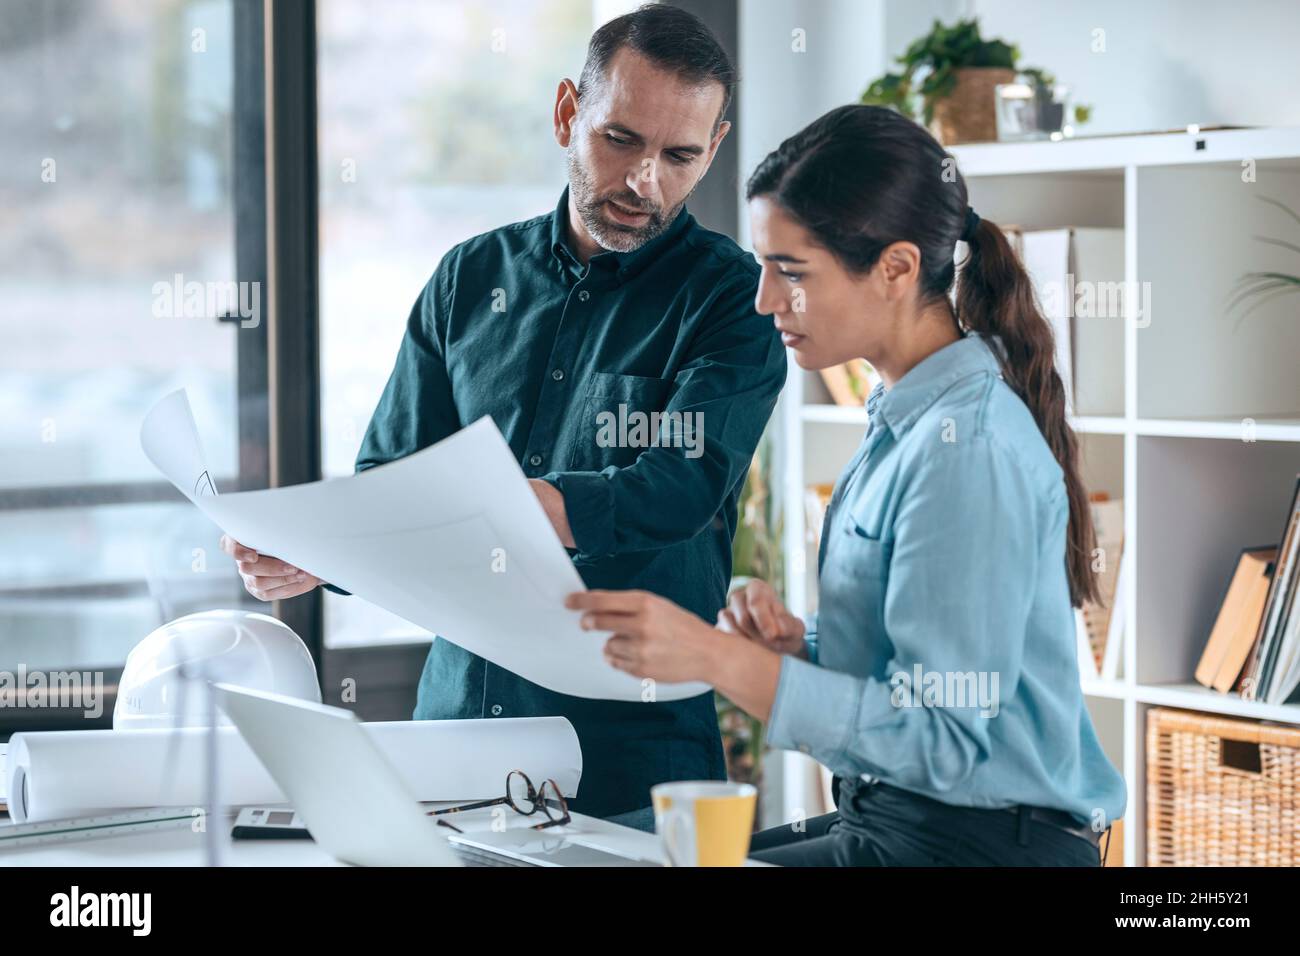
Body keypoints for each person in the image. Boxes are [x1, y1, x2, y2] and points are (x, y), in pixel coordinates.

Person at [219, 4, 786, 826]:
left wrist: (490, 510)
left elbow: (676, 486)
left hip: (629, 766)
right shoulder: (468, 278)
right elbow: (390, 475)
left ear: (715, 148)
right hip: (451, 749)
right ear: (567, 112)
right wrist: (319, 555)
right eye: (620, 140)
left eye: (680, 156)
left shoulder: (735, 298)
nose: (645, 182)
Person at [566, 103, 1127, 865]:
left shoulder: (967, 451)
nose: (765, 301)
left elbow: (946, 740)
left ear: (895, 269)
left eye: (791, 272)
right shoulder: (905, 418)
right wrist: (804, 646)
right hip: (897, 825)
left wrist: (717, 658)